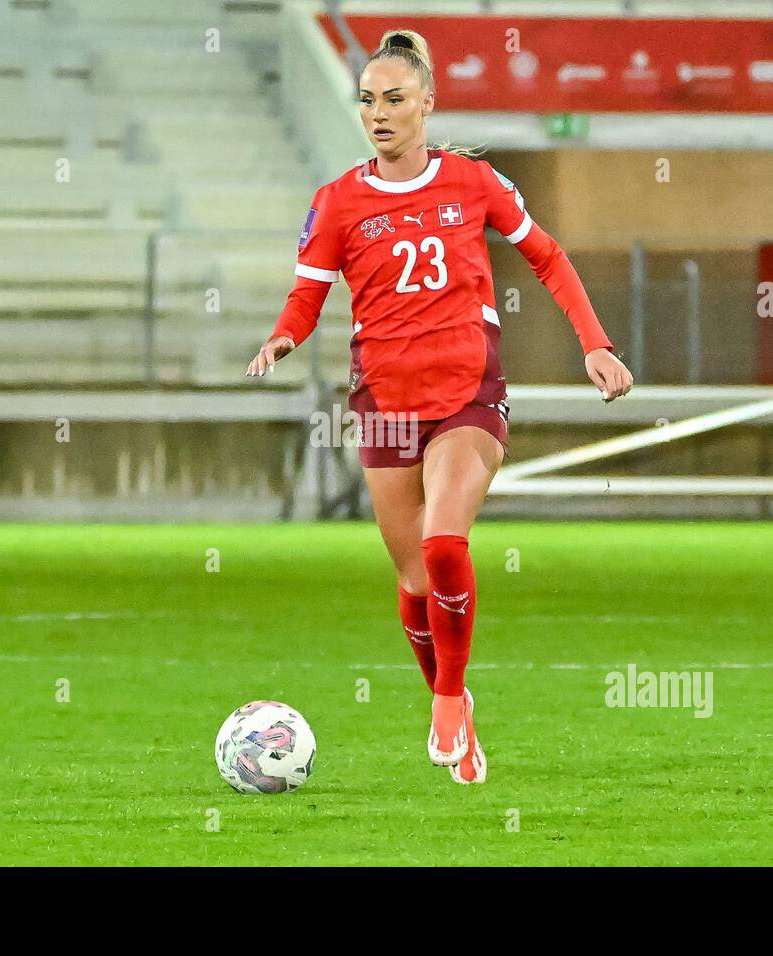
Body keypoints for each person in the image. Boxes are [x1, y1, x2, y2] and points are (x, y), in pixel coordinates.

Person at [246, 29, 633, 784]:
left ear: (428, 102)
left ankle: (449, 700)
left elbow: (546, 256)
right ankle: (455, 702)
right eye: (368, 101)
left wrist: (595, 342)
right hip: (385, 402)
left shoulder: (473, 183)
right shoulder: (337, 202)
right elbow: (307, 295)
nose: (380, 113)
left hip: (468, 394)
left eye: (395, 99)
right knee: (416, 585)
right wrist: (281, 339)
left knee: (444, 545)